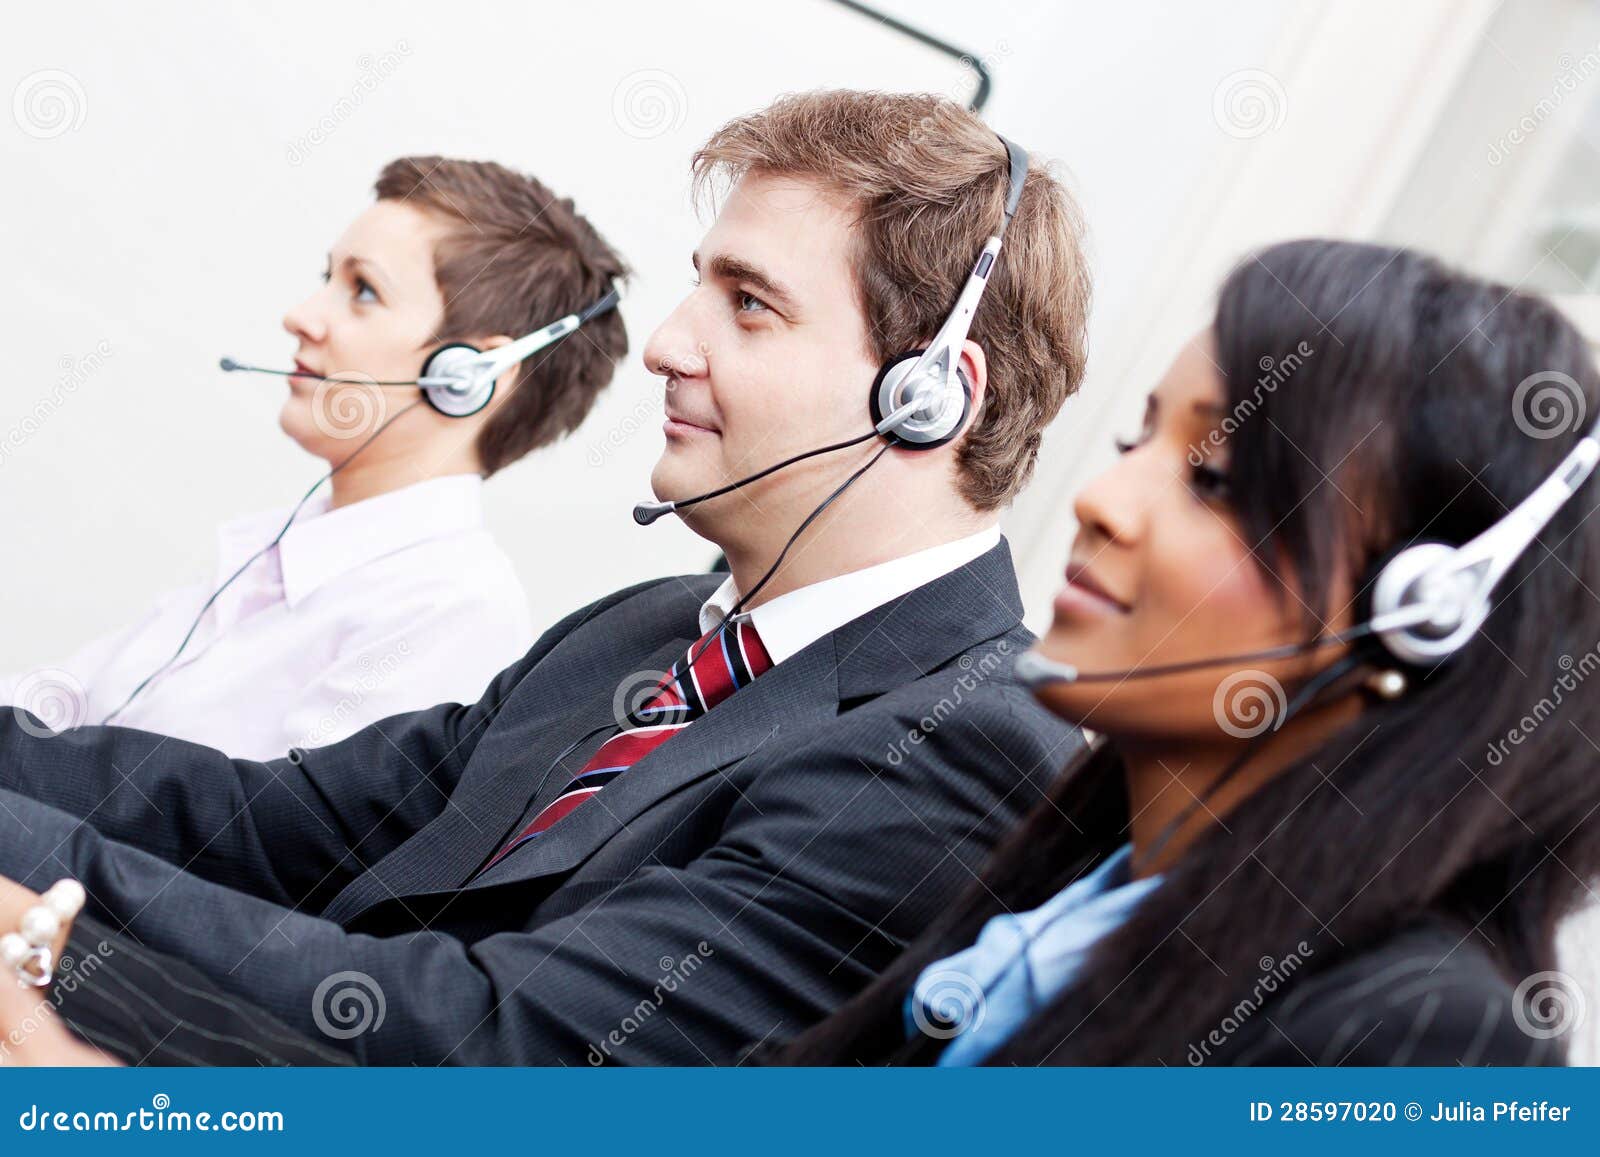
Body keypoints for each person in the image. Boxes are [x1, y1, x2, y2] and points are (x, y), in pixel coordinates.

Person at [0, 89, 1093, 1065]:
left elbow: (496, 1037)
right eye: (697, 289)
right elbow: (268, 819)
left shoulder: (962, 745)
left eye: (748, 303)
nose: (668, 343)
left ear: (931, 392)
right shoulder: (638, 632)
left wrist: (37, 922)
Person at [768, 239, 1600, 1066]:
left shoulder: (1423, 1039)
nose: (1102, 502)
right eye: (1137, 443)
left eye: (1214, 479)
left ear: (1425, 609)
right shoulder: (1058, 903)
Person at [1, 156, 628, 760]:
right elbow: (53, 711)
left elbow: (259, 858)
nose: (299, 317)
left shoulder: (449, 608)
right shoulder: (281, 547)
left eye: (363, 290)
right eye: (327, 278)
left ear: (469, 375)